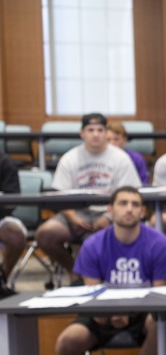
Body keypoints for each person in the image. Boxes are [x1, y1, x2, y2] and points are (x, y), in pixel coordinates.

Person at [54, 187, 166, 355]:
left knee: (162, 321)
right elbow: (92, 294)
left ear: (143, 212)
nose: (129, 209)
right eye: (123, 203)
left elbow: (159, 295)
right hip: (103, 310)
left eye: (135, 204)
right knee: (66, 344)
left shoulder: (160, 244)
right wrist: (112, 311)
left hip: (144, 310)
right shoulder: (93, 245)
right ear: (110, 209)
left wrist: (127, 310)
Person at [36, 113, 142, 283]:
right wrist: (72, 217)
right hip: (76, 212)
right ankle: (75, 272)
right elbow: (60, 195)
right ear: (82, 133)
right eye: (90, 130)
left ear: (106, 132)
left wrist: (108, 217)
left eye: (100, 130)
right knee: (45, 234)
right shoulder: (70, 158)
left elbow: (129, 194)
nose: (95, 134)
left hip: (112, 213)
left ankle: (107, 276)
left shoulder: (121, 158)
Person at [0, 151, 25, 292]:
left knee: (15, 237)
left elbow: (12, 201)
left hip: (1, 217)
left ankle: (3, 277)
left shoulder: (4, 162)